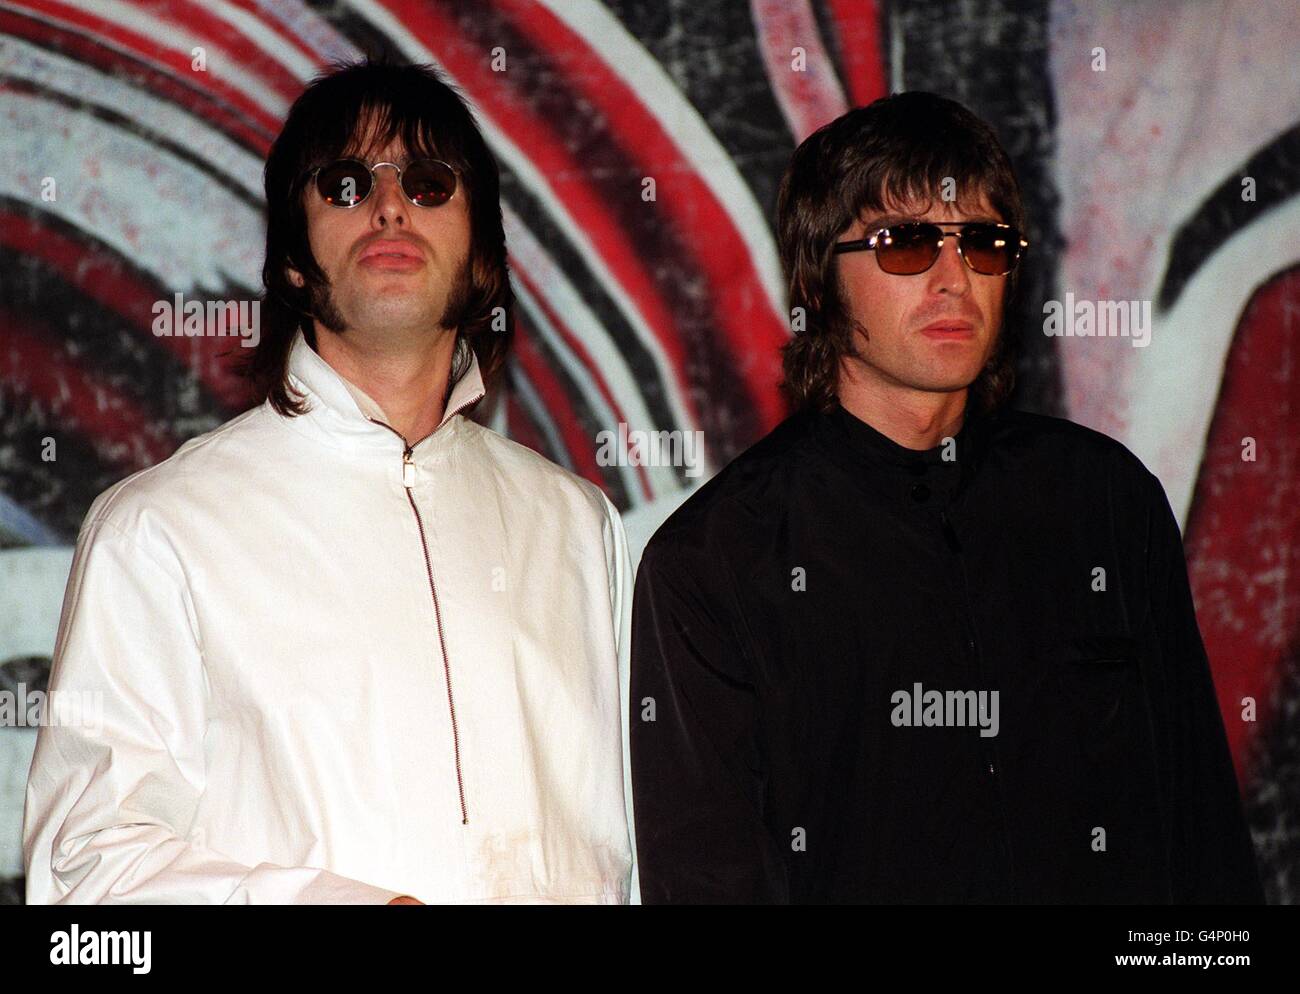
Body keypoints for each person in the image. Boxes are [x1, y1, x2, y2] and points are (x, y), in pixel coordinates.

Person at [23, 58, 633, 904]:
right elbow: (84, 868)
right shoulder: (158, 529)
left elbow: (632, 852)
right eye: (344, 185)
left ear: (482, 254)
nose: (389, 206)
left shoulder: (578, 528)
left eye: (427, 182)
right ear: (294, 264)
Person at [629, 91, 1262, 904]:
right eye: (907, 243)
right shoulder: (716, 564)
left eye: (985, 244)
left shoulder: (1105, 503)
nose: (954, 277)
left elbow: (1202, 836)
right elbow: (712, 882)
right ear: (819, 281)